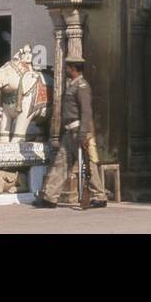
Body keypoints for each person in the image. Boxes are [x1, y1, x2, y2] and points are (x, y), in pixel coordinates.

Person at [32, 57, 108, 209]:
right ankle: (50, 197)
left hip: (79, 131)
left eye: (67, 67)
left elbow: (86, 111)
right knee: (61, 163)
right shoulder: (73, 85)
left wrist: (83, 133)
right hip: (70, 131)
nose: (66, 69)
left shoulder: (82, 86)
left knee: (87, 164)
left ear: (74, 69)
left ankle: (99, 195)